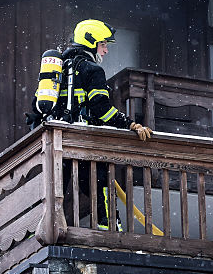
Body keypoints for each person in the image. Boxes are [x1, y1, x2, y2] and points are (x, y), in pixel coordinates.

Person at [57, 19, 153, 229]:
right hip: (84, 141)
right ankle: (110, 231)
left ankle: (43, 230)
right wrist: (130, 124)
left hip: (58, 142)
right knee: (100, 186)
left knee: (54, 190)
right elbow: (102, 109)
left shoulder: (59, 68)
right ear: (91, 43)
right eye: (103, 44)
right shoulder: (92, 70)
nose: (106, 51)